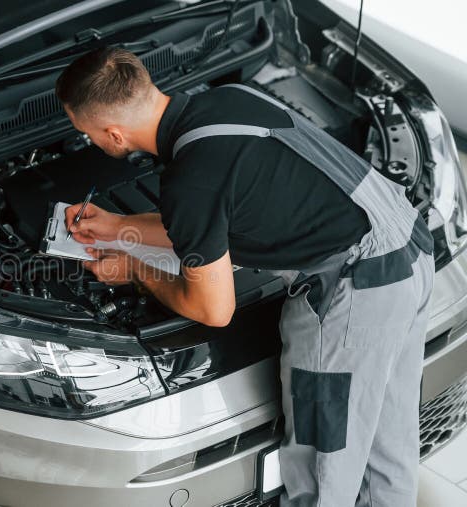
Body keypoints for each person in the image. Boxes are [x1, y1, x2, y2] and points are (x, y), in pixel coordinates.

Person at [55, 47, 434, 507]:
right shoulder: (227, 100)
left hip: (355, 296)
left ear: (114, 135)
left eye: (88, 134)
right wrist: (118, 227)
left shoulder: (190, 181)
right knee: (385, 449)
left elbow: (214, 309)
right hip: (408, 250)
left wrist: (133, 269)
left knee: (322, 470)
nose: (91, 143)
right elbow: (211, 216)